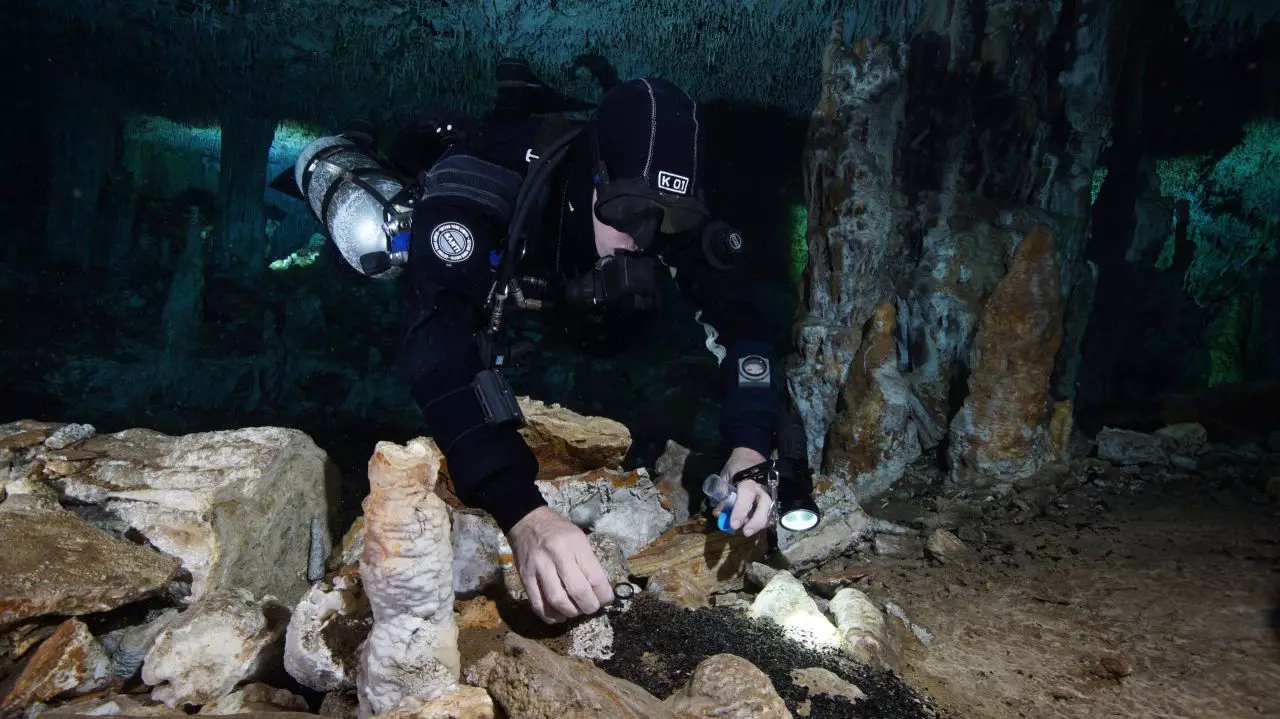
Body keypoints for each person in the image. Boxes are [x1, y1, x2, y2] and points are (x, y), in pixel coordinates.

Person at [391, 61, 783, 624]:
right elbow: (433, 342)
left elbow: (745, 331)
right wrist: (524, 514)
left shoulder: (664, 213)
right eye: (627, 213)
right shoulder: (489, 175)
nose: (643, 240)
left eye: (664, 220)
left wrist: (751, 445)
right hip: (482, 246)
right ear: (590, 179)